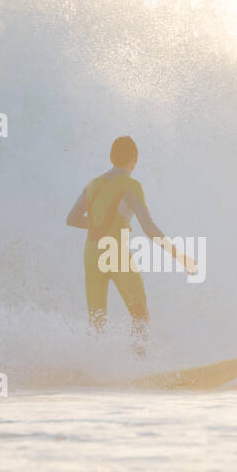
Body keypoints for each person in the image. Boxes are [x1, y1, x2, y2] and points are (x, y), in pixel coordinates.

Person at [65, 135, 172, 352]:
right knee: (140, 313)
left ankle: (95, 368)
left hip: (91, 254)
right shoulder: (131, 186)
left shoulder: (94, 184)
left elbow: (72, 219)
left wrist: (95, 226)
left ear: (112, 157)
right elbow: (149, 228)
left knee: (96, 320)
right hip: (115, 254)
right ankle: (139, 363)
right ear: (135, 159)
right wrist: (177, 252)